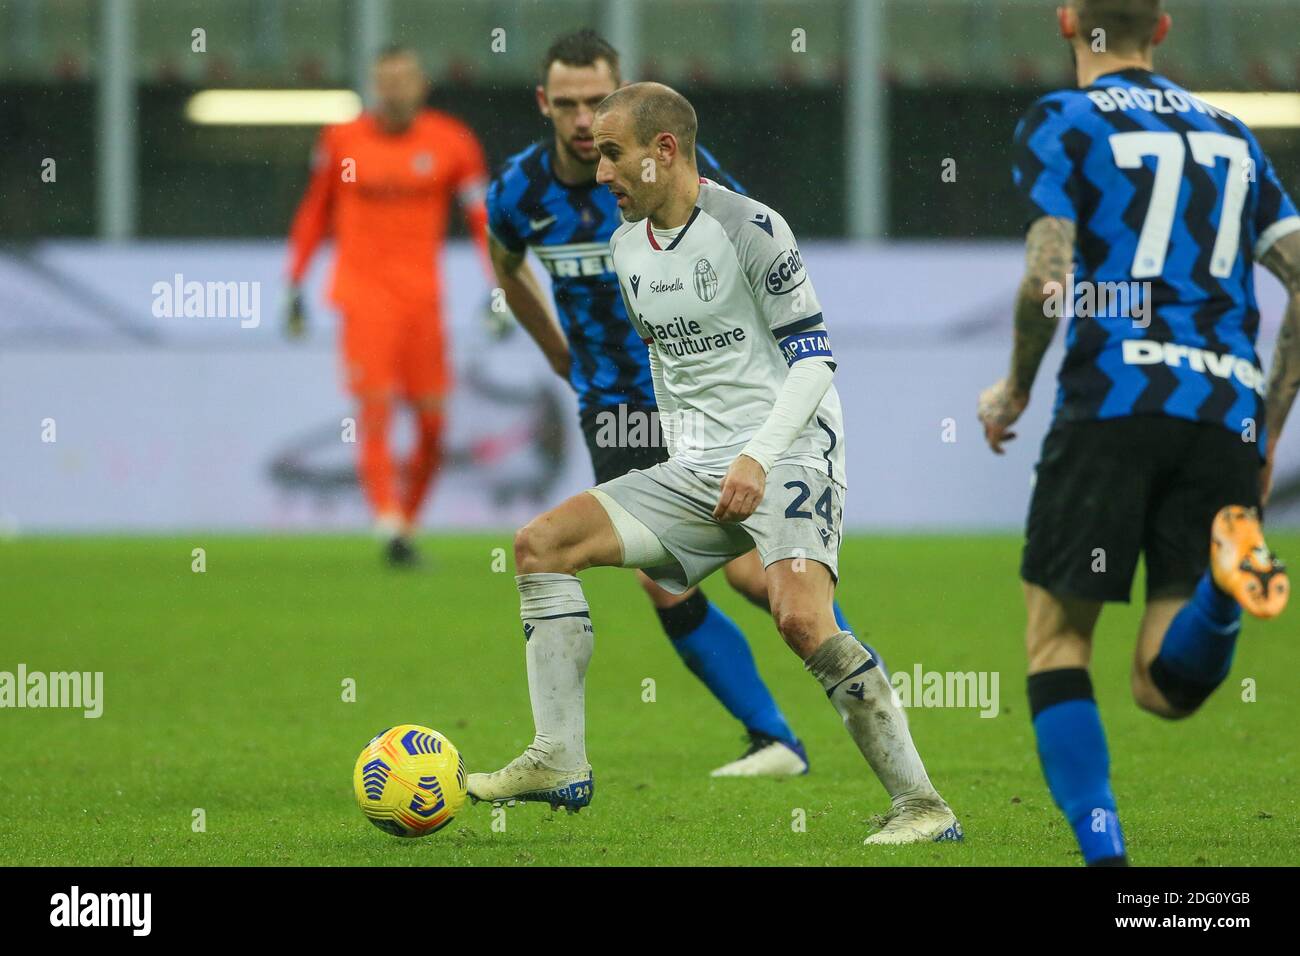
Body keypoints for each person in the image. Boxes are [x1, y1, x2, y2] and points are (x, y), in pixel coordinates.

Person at [471, 82, 961, 846]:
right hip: (696, 461)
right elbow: (667, 369)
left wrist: (757, 458)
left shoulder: (753, 226)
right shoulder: (627, 247)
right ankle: (558, 758)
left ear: (663, 152)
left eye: (611, 155)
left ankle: (923, 806)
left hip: (791, 447)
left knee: (799, 619)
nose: (599, 174)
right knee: (541, 547)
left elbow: (813, 359)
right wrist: (680, 462)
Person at [486, 29, 880, 777]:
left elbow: (738, 244)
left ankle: (845, 672)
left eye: (593, 102)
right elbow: (505, 270)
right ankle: (774, 737)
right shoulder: (516, 193)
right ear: (543, 102)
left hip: (714, 403)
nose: (579, 120)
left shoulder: (665, 177)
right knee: (659, 577)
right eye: (564, 103)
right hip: (618, 403)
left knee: (747, 572)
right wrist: (564, 362)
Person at [978, 0, 1296, 866]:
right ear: (1162, 28)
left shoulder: (1064, 119)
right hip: (1221, 413)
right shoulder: (1233, 135)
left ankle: (1105, 856)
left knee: (1058, 641)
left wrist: (1013, 389)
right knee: (1165, 686)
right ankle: (1222, 599)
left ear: (1067, 21)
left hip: (1111, 407)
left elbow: (1049, 280)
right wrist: (1265, 430)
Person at [285, 45, 490, 566]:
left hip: (423, 304)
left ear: (422, 85)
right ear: (374, 86)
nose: (395, 90)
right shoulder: (342, 141)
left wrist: (501, 287)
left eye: (404, 79)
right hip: (362, 298)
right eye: (385, 80)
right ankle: (387, 523)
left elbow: (482, 221)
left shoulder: (452, 143)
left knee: (433, 427)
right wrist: (294, 281)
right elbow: (316, 210)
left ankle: (405, 524)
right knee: (373, 413)